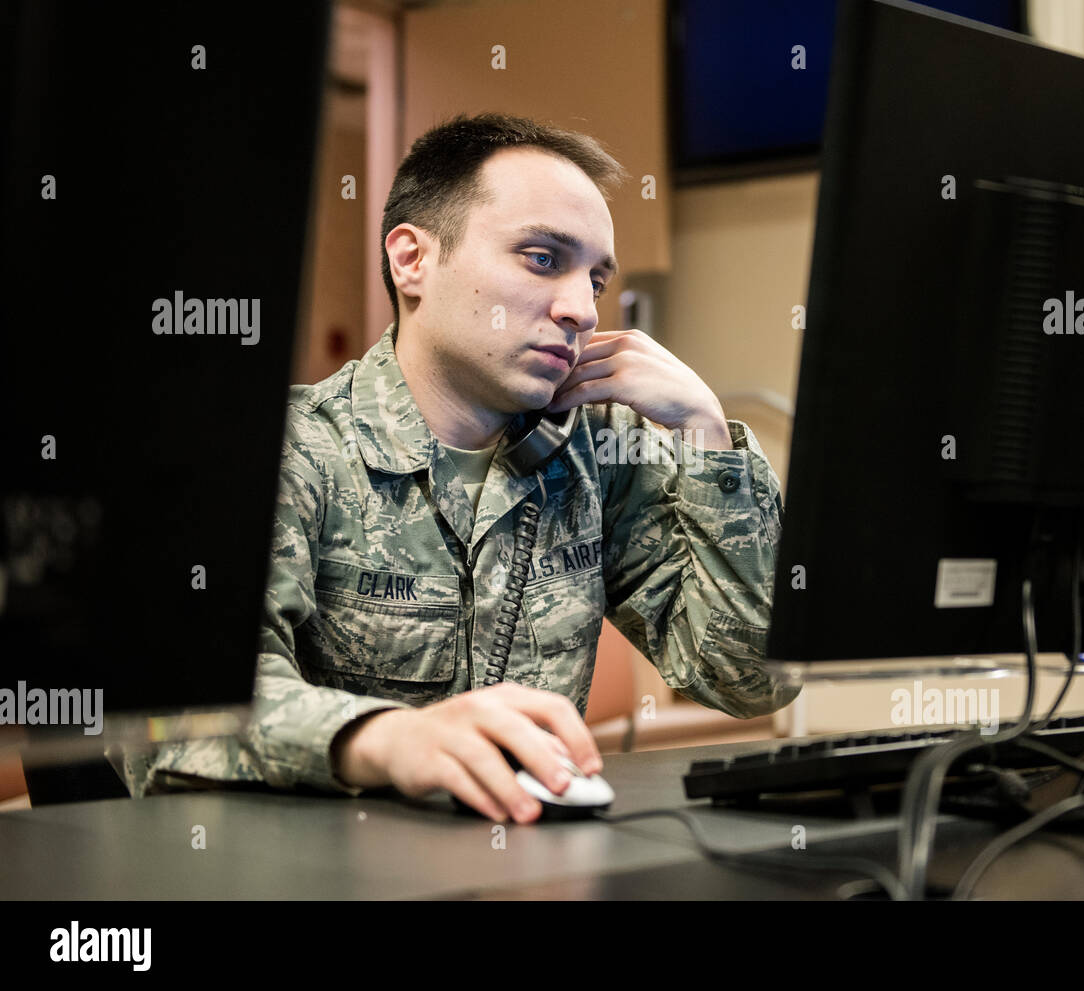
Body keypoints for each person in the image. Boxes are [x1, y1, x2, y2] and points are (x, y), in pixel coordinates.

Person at [112, 112, 799, 822]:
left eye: (595, 279)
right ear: (412, 260)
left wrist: (708, 440)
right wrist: (386, 739)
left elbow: (749, 681)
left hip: (527, 871)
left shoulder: (595, 452)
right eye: (542, 258)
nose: (580, 309)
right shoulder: (279, 449)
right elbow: (170, 720)